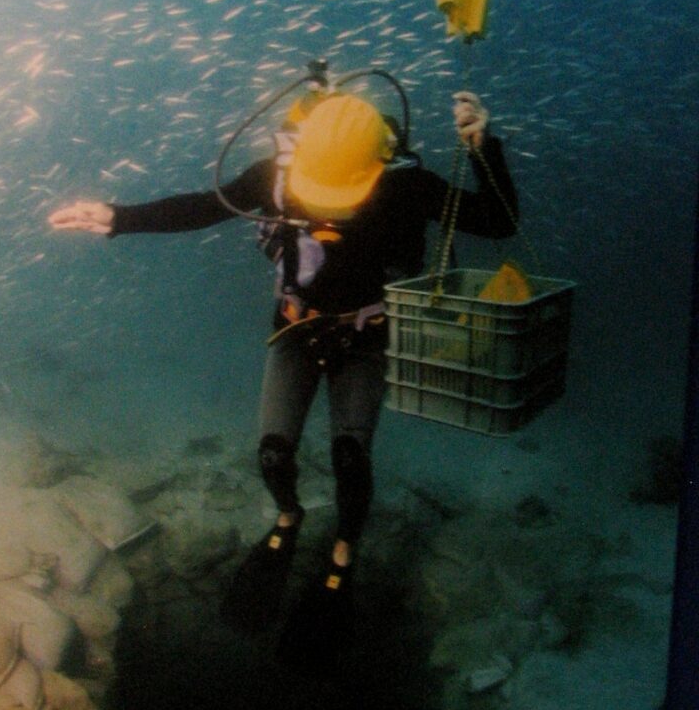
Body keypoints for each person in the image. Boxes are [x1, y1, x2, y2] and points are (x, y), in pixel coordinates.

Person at [49, 86, 518, 660]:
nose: (330, 207)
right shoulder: (276, 174)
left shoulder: (408, 186)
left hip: (367, 336)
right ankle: (289, 517)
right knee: (273, 451)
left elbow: (497, 220)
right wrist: (120, 217)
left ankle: (344, 551)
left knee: (351, 455)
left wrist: (482, 147)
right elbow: (202, 205)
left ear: (379, 167)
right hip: (294, 329)